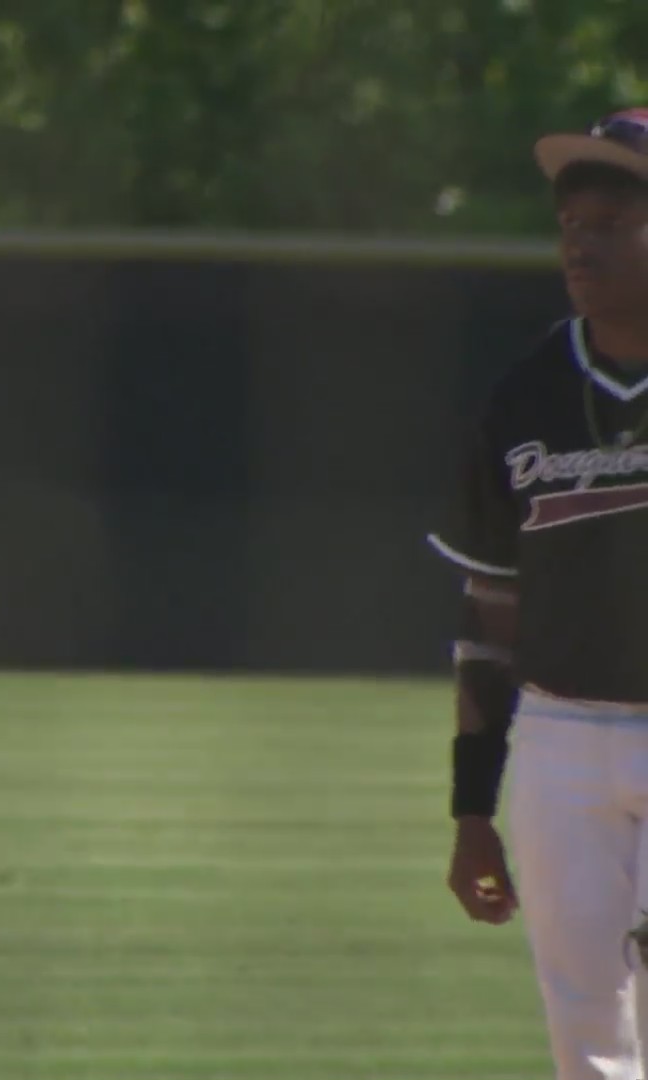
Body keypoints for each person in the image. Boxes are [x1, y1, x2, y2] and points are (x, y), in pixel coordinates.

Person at [430, 107, 648, 1080]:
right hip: (561, 744)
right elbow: (489, 612)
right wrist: (473, 808)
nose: (580, 244)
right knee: (586, 1039)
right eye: (570, 224)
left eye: (612, 221)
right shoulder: (524, 393)